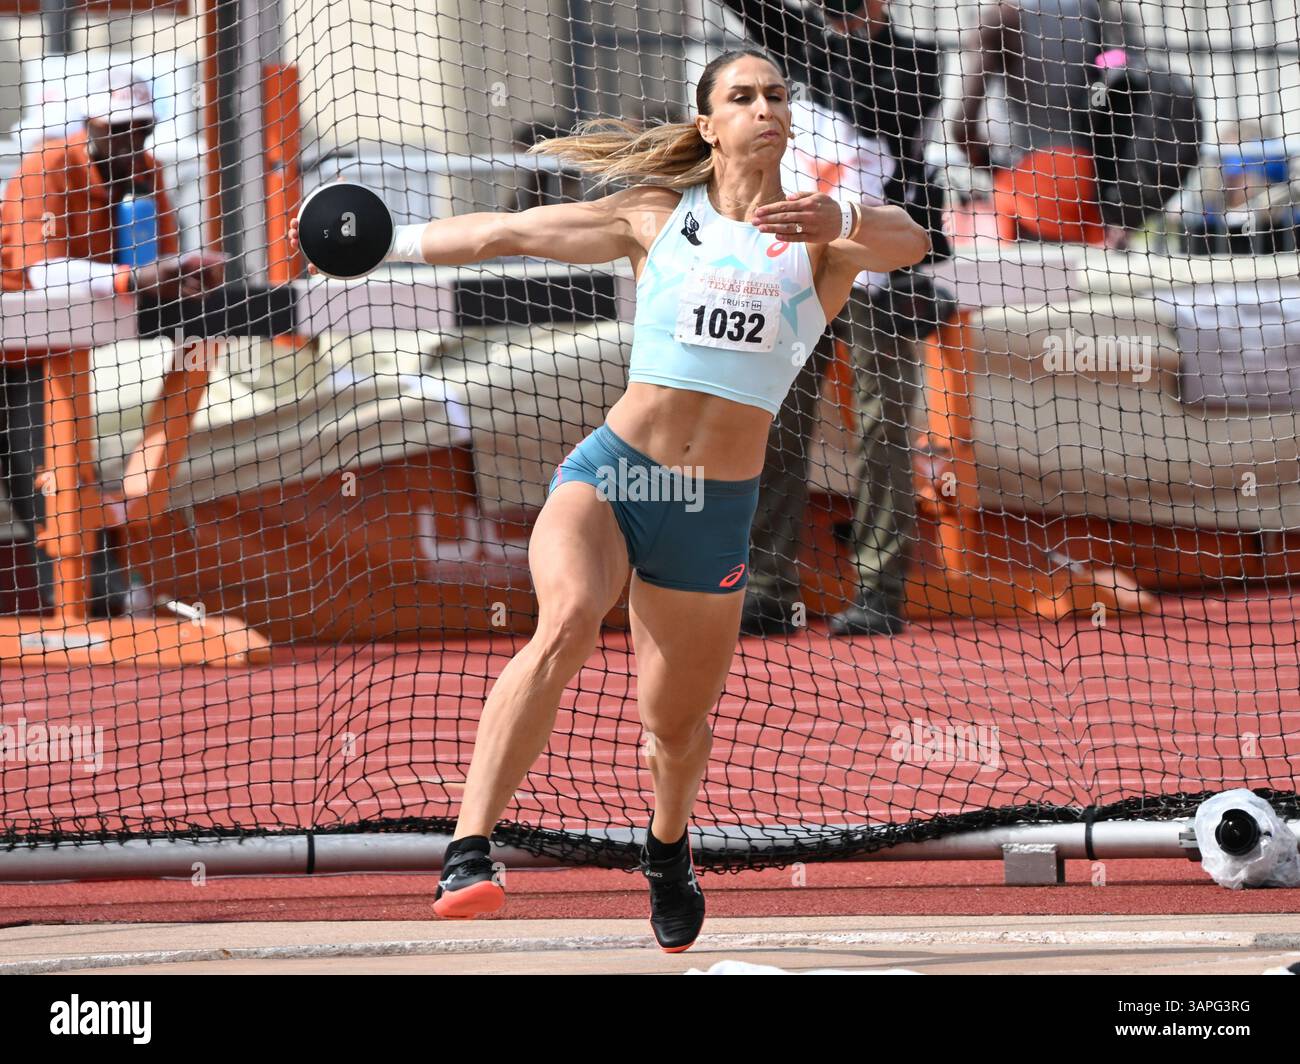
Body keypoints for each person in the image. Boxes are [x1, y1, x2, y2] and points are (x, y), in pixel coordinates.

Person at [291, 48, 929, 951]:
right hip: (617, 475)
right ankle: (470, 849)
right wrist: (376, 245)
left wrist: (846, 210)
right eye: (742, 96)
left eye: (776, 95)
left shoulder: (822, 239)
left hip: (712, 510)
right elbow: (505, 237)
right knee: (568, 621)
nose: (764, 107)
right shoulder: (654, 216)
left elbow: (914, 242)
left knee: (675, 729)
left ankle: (667, 851)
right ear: (708, 124)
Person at [715, 0, 953, 636]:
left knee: (881, 428)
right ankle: (766, 586)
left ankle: (879, 589)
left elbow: (877, 104)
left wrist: (836, 35)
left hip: (877, 265)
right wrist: (812, 30)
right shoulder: (798, 41)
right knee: (778, 423)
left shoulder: (919, 59)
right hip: (792, 266)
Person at [0, 68, 223, 617]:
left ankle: (103, 605)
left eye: (144, 129)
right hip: (16, 341)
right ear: (90, 124)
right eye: (122, 129)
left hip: (45, 356)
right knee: (51, 486)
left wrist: (188, 276)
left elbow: (159, 267)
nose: (136, 142)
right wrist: (136, 280)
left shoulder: (144, 172)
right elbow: (42, 274)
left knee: (58, 489)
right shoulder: (48, 166)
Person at [948, 0, 1118, 245]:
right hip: (1085, 177)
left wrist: (988, 165)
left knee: (1021, 279)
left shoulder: (1001, 15)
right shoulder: (1089, 10)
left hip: (1025, 185)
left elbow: (961, 126)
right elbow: (1105, 80)